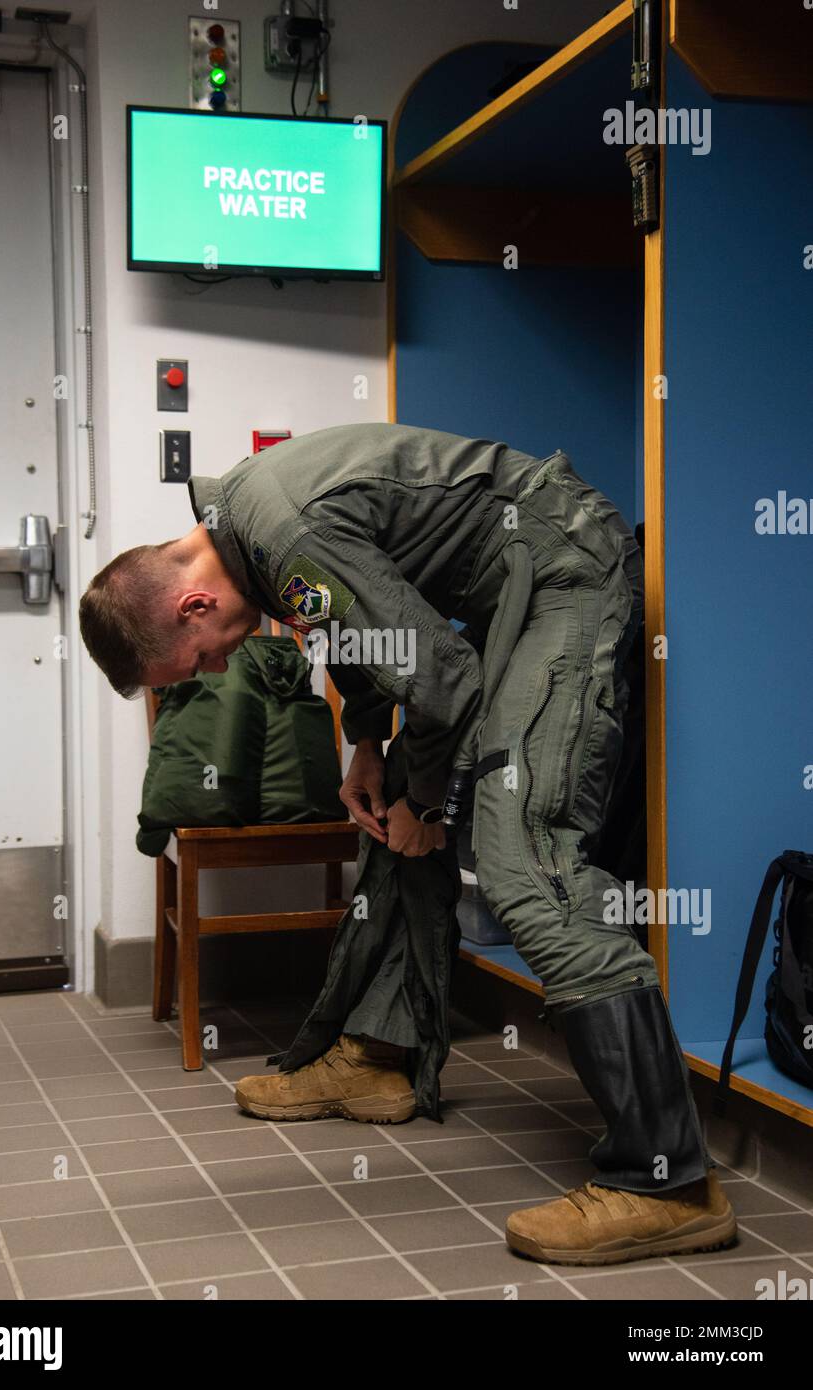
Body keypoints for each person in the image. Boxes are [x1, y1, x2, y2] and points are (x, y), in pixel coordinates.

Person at [79, 422, 736, 1265]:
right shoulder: (248, 537)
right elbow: (353, 626)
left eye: (198, 659)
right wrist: (366, 747)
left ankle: (670, 1181)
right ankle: (378, 1056)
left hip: (568, 571)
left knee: (522, 857)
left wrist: (425, 797)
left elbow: (444, 682)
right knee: (390, 802)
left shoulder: (284, 531)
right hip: (508, 594)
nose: (213, 671)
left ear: (193, 605)